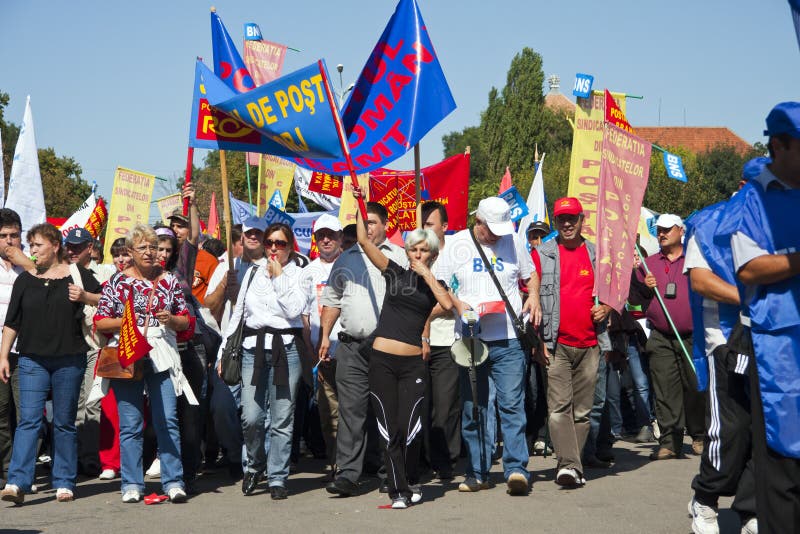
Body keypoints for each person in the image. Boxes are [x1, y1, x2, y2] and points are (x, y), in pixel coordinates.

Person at [718, 102, 800, 534]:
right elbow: (748, 269)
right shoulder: (753, 201)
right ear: (780, 146)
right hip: (777, 351)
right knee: (783, 466)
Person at [351, 197, 453, 509]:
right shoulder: (394, 272)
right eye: (413, 249)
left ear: (433, 254)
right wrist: (359, 202)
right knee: (389, 429)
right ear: (406, 251)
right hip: (382, 360)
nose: (418, 254)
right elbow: (363, 241)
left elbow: (448, 306)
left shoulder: (435, 284)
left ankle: (410, 479)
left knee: (411, 429)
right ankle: (398, 490)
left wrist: (427, 274)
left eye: (424, 250)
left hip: (412, 365)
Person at [435, 196, 540, 496]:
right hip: (471, 340)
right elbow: (440, 283)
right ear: (477, 221)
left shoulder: (514, 241)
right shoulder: (457, 244)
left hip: (508, 337)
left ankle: (517, 469)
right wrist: (458, 304)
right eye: (490, 228)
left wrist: (532, 295)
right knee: (474, 408)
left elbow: (529, 274)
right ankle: (478, 472)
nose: (495, 235)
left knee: (511, 405)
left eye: (499, 229)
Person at [684, 159, 766, 534]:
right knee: (729, 430)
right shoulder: (710, 221)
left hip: (772, 342)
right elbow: (700, 280)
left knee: (764, 430)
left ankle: (750, 507)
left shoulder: (778, 224)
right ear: (742, 183)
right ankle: (704, 500)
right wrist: (748, 299)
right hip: (726, 342)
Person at [93, 224, 196, 504]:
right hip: (128, 352)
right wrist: (132, 323)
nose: (150, 252)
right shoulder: (118, 282)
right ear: (131, 252)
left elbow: (186, 321)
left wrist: (171, 320)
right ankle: (131, 483)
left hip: (162, 352)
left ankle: (174, 481)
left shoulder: (169, 280)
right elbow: (101, 320)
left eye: (153, 247)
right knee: (130, 423)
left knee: (168, 419)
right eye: (143, 248)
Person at [0, 223, 101, 504]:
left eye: (37, 245)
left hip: (70, 360)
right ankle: (17, 482)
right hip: (32, 360)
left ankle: (64, 481)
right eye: (30, 245)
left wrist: (84, 296)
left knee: (65, 422)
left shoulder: (78, 275)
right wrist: (3, 356)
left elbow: (106, 301)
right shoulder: (25, 280)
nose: (31, 250)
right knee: (29, 421)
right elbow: (12, 323)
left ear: (55, 246)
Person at [322, 202, 408, 498]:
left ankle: (390, 471)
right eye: (362, 222)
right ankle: (347, 474)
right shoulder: (345, 259)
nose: (367, 228)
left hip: (388, 346)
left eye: (371, 222)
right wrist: (324, 336)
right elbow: (332, 299)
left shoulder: (400, 257)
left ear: (386, 225)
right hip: (351, 347)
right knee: (351, 411)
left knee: (388, 412)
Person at [222, 223, 308, 500]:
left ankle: (278, 476)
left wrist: (280, 277)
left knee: (283, 418)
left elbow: (295, 309)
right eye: (270, 242)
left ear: (290, 247)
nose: (273, 248)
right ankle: (255, 464)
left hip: (287, 349)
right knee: (252, 417)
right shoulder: (252, 273)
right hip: (251, 348)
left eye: (280, 243)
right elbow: (239, 314)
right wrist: (225, 349)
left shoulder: (299, 274)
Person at [534, 197, 612, 487]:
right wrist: (537, 339)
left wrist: (608, 308)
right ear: (555, 223)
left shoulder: (596, 254)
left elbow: (614, 291)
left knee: (582, 412)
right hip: (556, 345)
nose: (567, 224)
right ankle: (568, 465)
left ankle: (571, 466)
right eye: (561, 220)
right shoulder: (542, 255)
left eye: (572, 219)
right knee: (558, 409)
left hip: (591, 344)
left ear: (582, 220)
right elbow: (529, 294)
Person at [638, 214, 703, 461]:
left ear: (680, 230)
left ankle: (699, 435)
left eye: (667, 229)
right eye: (659, 230)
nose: (662, 233)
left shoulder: (694, 258)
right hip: (661, 336)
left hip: (692, 335)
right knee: (665, 390)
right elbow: (634, 300)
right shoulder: (649, 263)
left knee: (697, 386)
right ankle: (669, 441)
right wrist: (644, 285)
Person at [301, 214, 344, 479]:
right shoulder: (308, 273)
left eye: (331, 235)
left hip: (350, 350)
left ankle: (361, 460)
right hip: (322, 354)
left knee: (354, 409)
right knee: (330, 413)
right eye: (321, 236)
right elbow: (304, 316)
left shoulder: (354, 265)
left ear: (340, 237)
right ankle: (337, 461)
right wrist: (310, 348)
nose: (326, 240)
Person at [420, 200, 461, 481]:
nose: (425, 230)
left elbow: (449, 302)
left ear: (444, 227)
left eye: (430, 224)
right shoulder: (413, 256)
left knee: (445, 406)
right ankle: (422, 461)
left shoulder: (456, 256)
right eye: (421, 225)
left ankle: (446, 459)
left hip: (448, 340)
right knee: (421, 405)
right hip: (417, 342)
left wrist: (429, 309)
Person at [64, 227, 108, 478]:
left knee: (92, 404)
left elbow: (108, 300)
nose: (72, 251)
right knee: (73, 405)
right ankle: (74, 458)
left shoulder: (103, 272)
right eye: (69, 246)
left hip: (94, 346)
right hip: (70, 346)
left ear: (90, 248)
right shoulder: (62, 271)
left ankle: (90, 458)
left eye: (78, 247)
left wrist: (84, 295)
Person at [0, 209, 34, 487]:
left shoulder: (32, 264)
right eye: (3, 236)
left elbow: (53, 284)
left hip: (27, 349)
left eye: (14, 235)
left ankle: (21, 473)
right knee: (1, 412)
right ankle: (6, 469)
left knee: (27, 414)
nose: (9, 241)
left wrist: (29, 264)